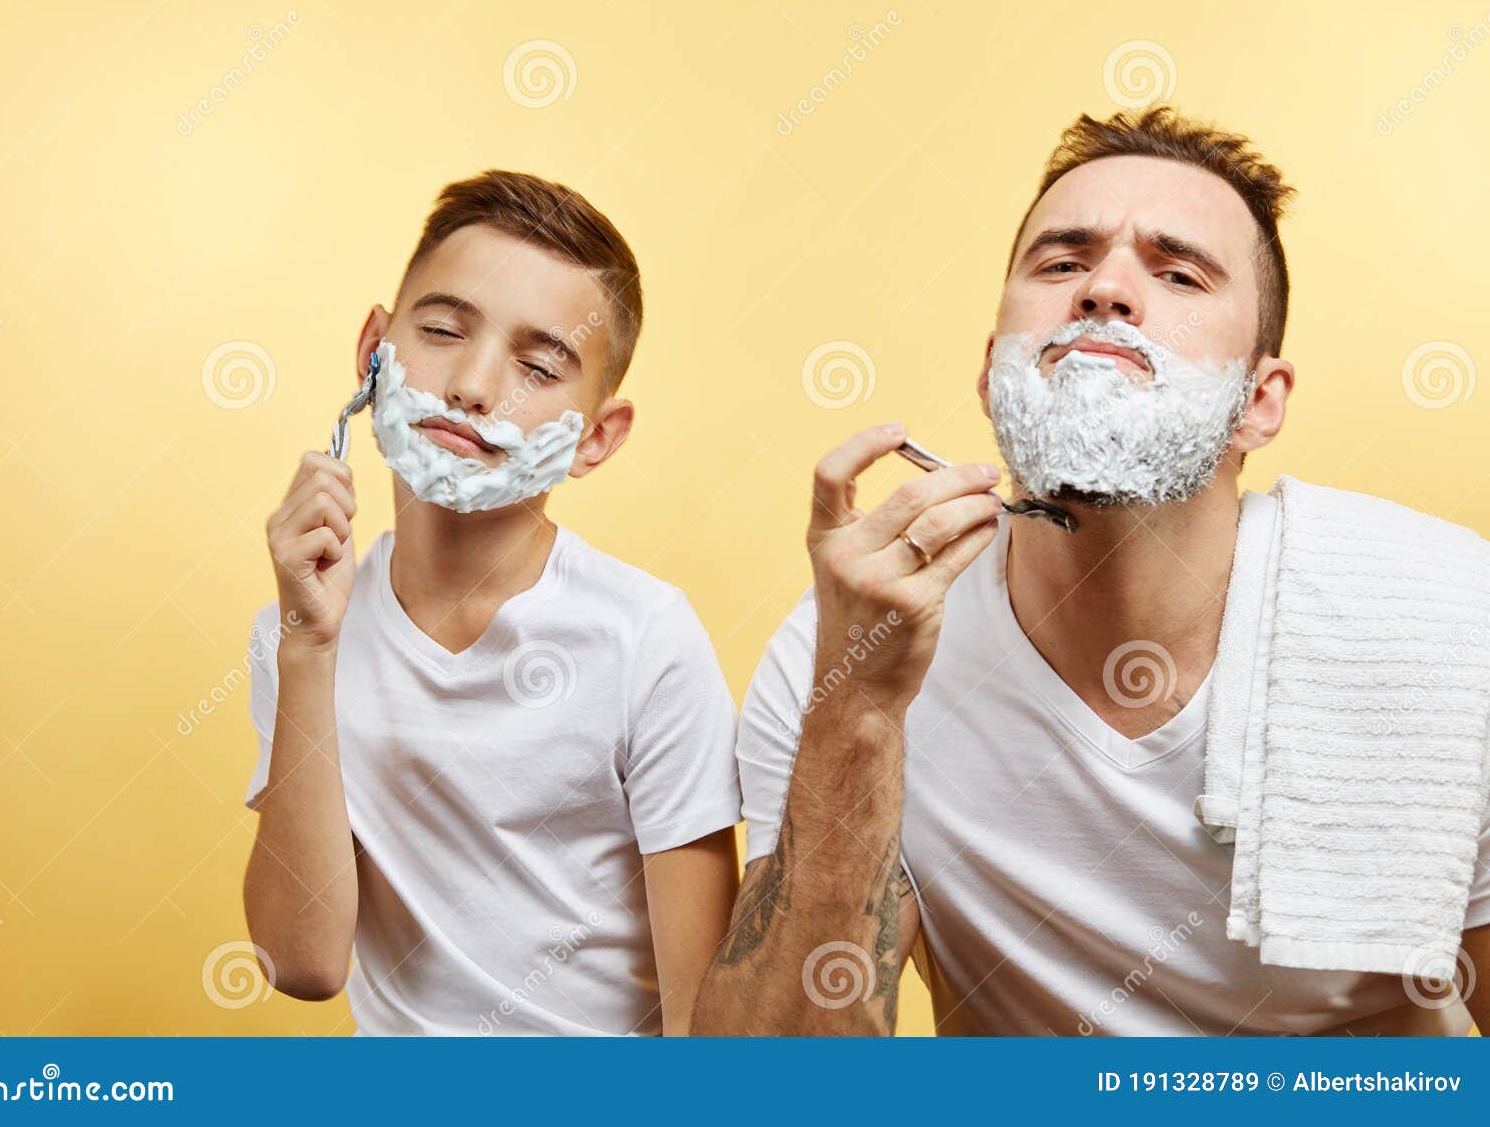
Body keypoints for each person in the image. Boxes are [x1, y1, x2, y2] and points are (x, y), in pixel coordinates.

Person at [692, 107, 1490, 1036]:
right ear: (993, 375)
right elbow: (774, 1088)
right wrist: (859, 713)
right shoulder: (855, 643)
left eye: (1178, 271)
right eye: (1064, 263)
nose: (1105, 290)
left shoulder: (1445, 624)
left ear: (1258, 405)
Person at [242, 171, 741, 1035]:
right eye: (441, 330)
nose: (473, 386)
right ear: (372, 352)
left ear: (596, 438)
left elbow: (708, 1027)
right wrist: (306, 648)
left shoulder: (646, 641)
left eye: (539, 366)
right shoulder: (299, 630)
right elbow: (305, 963)